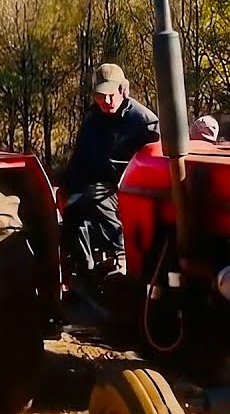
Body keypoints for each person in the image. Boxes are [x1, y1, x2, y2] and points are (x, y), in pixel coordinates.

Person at [62, 63, 160, 278]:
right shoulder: (93, 121)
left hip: (133, 187)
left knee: (99, 200)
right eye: (100, 96)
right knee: (72, 212)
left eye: (110, 95)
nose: (106, 102)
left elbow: (158, 163)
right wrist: (67, 186)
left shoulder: (144, 122)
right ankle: (82, 271)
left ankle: (123, 256)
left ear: (122, 91)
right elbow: (80, 158)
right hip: (97, 184)